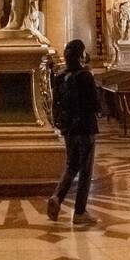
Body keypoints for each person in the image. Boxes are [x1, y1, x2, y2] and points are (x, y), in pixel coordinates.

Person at [48, 39, 100, 227]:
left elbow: (55, 104)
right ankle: (79, 212)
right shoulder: (85, 76)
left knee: (71, 165)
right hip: (85, 128)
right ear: (81, 55)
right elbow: (95, 104)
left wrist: (61, 124)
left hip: (68, 128)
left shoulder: (60, 77)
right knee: (85, 170)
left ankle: (57, 196)